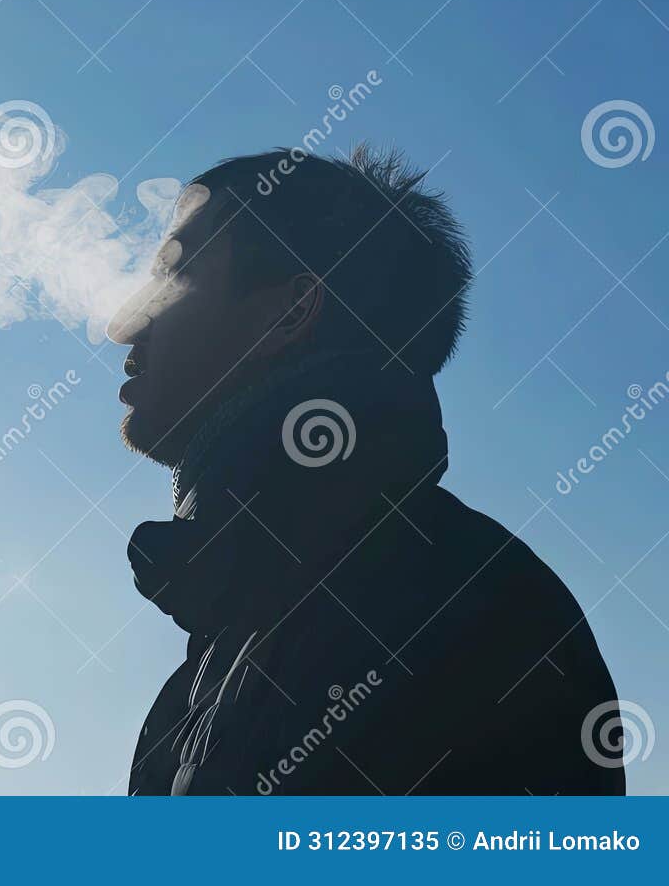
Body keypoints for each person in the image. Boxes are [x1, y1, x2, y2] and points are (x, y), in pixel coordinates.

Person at [108, 144, 625, 795]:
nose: (122, 324)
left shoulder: (460, 616)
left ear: (292, 312)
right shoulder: (217, 661)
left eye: (173, 274)